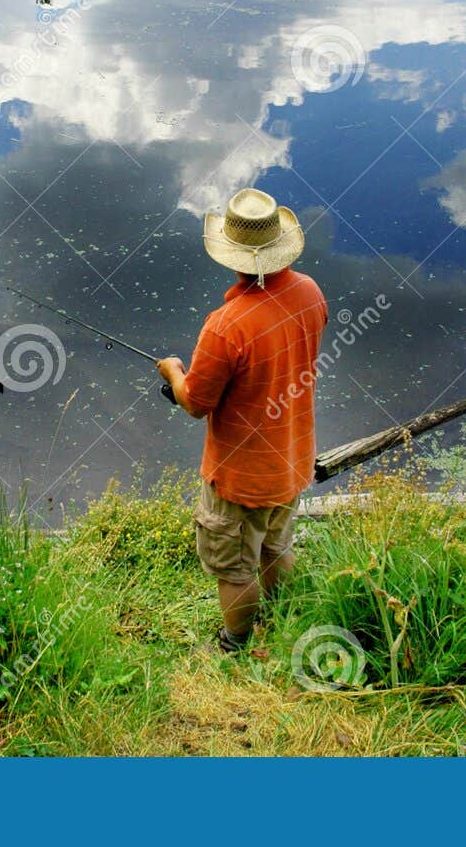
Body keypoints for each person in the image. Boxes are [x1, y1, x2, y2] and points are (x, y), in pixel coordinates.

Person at [157, 187, 328, 653]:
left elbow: (195, 403)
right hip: (292, 458)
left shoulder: (226, 324)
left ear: (232, 256)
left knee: (234, 565)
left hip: (241, 475)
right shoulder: (310, 291)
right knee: (276, 543)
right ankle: (282, 614)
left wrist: (173, 371)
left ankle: (234, 642)